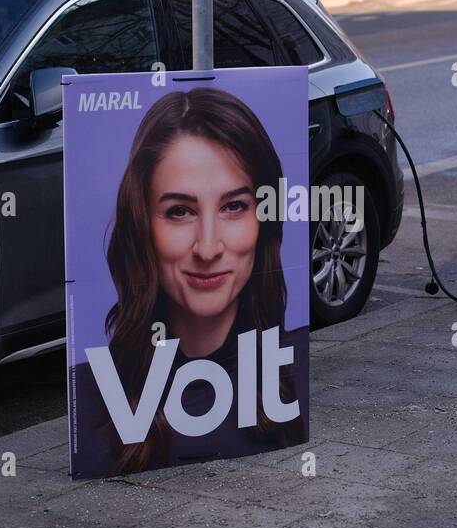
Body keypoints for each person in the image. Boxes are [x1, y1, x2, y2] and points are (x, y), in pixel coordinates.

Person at [71, 88, 307, 476]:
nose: (208, 247)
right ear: (141, 224)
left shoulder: (293, 368)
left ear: (264, 220)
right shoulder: (89, 397)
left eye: (234, 206)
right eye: (179, 211)